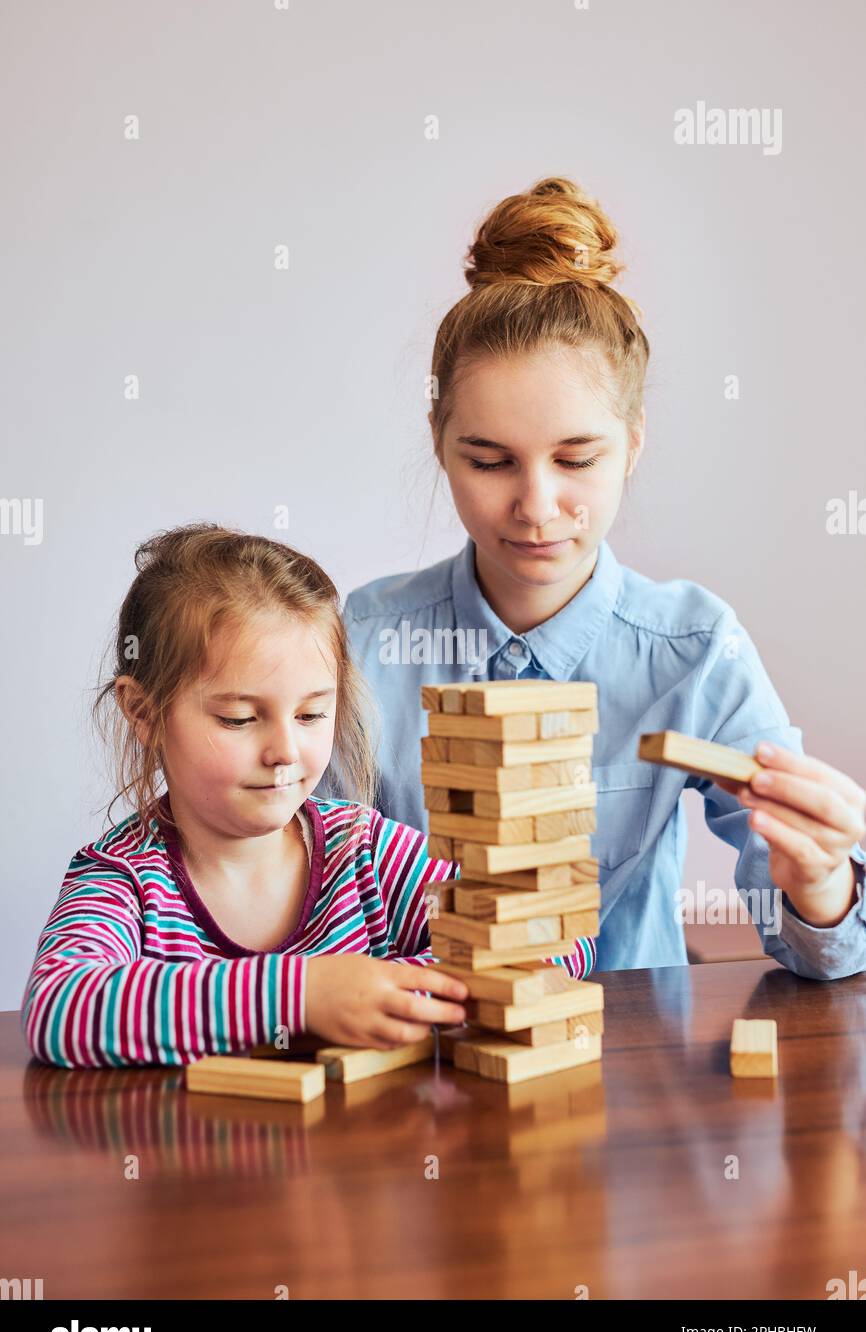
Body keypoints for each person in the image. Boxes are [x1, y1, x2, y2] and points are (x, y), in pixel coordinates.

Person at [328, 176, 866, 978]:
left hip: (625, 1064)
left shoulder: (693, 648)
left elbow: (819, 950)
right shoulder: (363, 643)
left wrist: (820, 887)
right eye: (490, 461)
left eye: (577, 459)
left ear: (634, 443)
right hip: (423, 1067)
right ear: (439, 442)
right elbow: (306, 896)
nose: (536, 508)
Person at [21, 524, 472, 1068]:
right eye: (239, 719)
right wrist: (301, 997)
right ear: (143, 713)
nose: (285, 750)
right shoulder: (125, 880)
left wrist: (392, 995)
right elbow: (59, 1009)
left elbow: (551, 941)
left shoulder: (369, 853)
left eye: (310, 714)